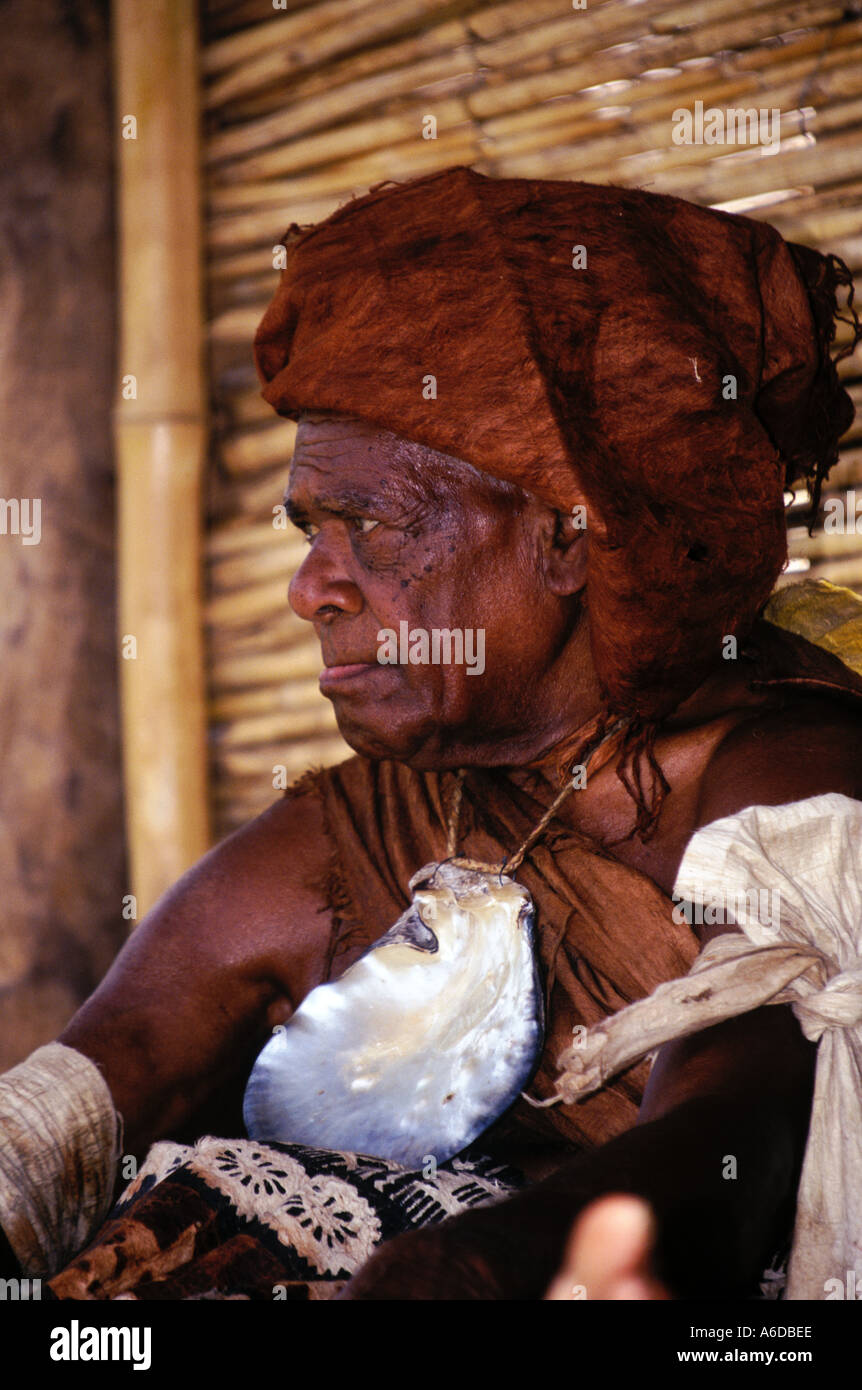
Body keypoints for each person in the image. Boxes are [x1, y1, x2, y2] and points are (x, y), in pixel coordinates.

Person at [2, 166, 861, 1300]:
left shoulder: (788, 784)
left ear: (568, 533)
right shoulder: (371, 818)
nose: (312, 589)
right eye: (311, 528)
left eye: (372, 525)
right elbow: (96, 1090)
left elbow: (728, 1139)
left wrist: (483, 1267)